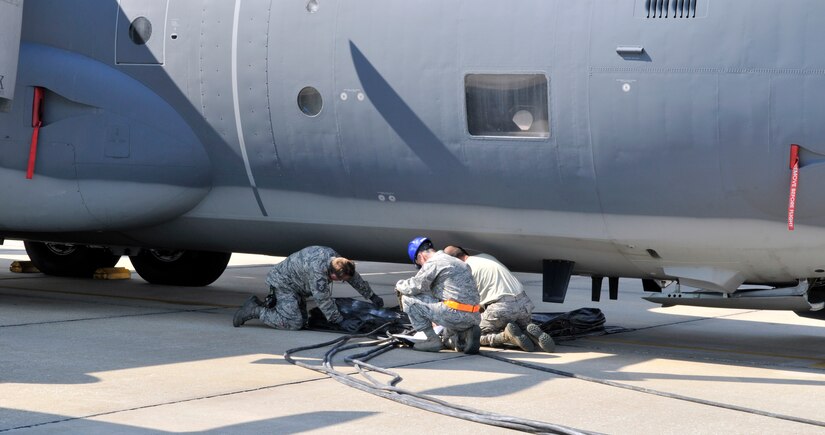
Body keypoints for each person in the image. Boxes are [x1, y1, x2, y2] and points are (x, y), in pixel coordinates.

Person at [233, 246, 383, 332]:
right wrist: (340, 321)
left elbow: (353, 277)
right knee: (294, 323)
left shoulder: (336, 260)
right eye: (339, 280)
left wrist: (371, 295)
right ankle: (255, 310)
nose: (340, 282)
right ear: (332, 274)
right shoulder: (318, 272)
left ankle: (276, 308)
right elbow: (323, 300)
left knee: (305, 321)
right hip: (283, 284)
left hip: (297, 285)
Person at [444, 246, 554, 353]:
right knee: (516, 327)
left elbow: (466, 309)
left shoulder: (463, 271)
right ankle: (529, 332)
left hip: (501, 307)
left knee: (473, 335)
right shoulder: (486, 256)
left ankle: (506, 337)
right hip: (524, 304)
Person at [395, 237, 481, 353]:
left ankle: (432, 340)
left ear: (421, 256)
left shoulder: (433, 262)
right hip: (474, 316)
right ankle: (464, 336)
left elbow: (415, 286)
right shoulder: (458, 262)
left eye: (420, 264)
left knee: (407, 298)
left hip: (455, 314)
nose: (421, 267)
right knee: (446, 337)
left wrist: (399, 285)